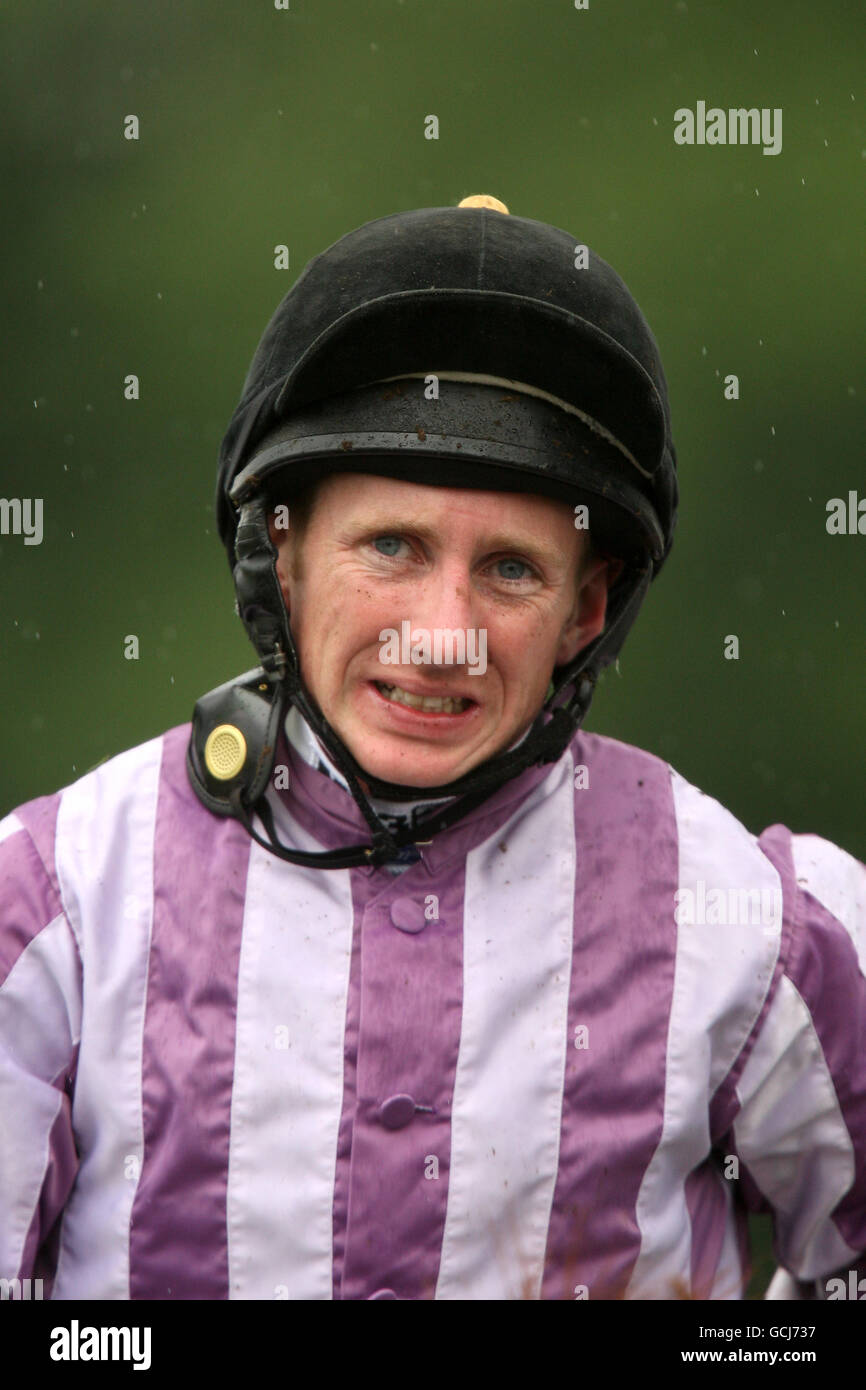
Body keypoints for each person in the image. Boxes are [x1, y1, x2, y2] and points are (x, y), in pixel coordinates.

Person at [1, 196, 864, 1302]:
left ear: (587, 609)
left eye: (510, 569)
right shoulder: (55, 906)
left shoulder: (761, 925)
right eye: (391, 546)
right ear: (285, 555)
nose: (440, 633)